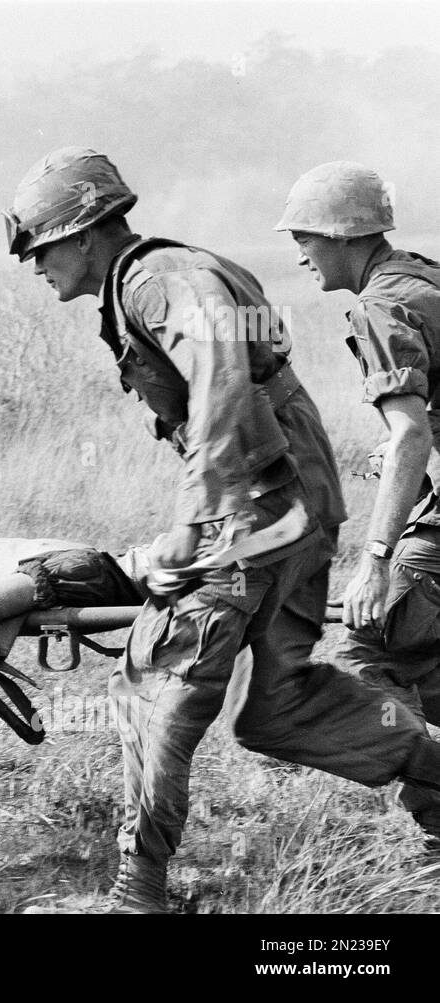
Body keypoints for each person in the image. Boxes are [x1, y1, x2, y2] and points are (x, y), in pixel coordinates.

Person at [2, 147, 440, 912]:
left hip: (257, 512)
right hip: (293, 501)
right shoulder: (157, 279)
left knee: (155, 682)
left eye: (41, 248)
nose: (37, 266)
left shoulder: (158, 279)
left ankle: (138, 895)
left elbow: (222, 393)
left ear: (84, 234)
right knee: (280, 708)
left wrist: (191, 528)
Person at [276, 161, 440, 849]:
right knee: (425, 659)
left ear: (342, 238)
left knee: (363, 653)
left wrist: (374, 559)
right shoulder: (425, 277)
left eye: (306, 238)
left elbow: (410, 430)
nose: (300, 254)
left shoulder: (379, 306)